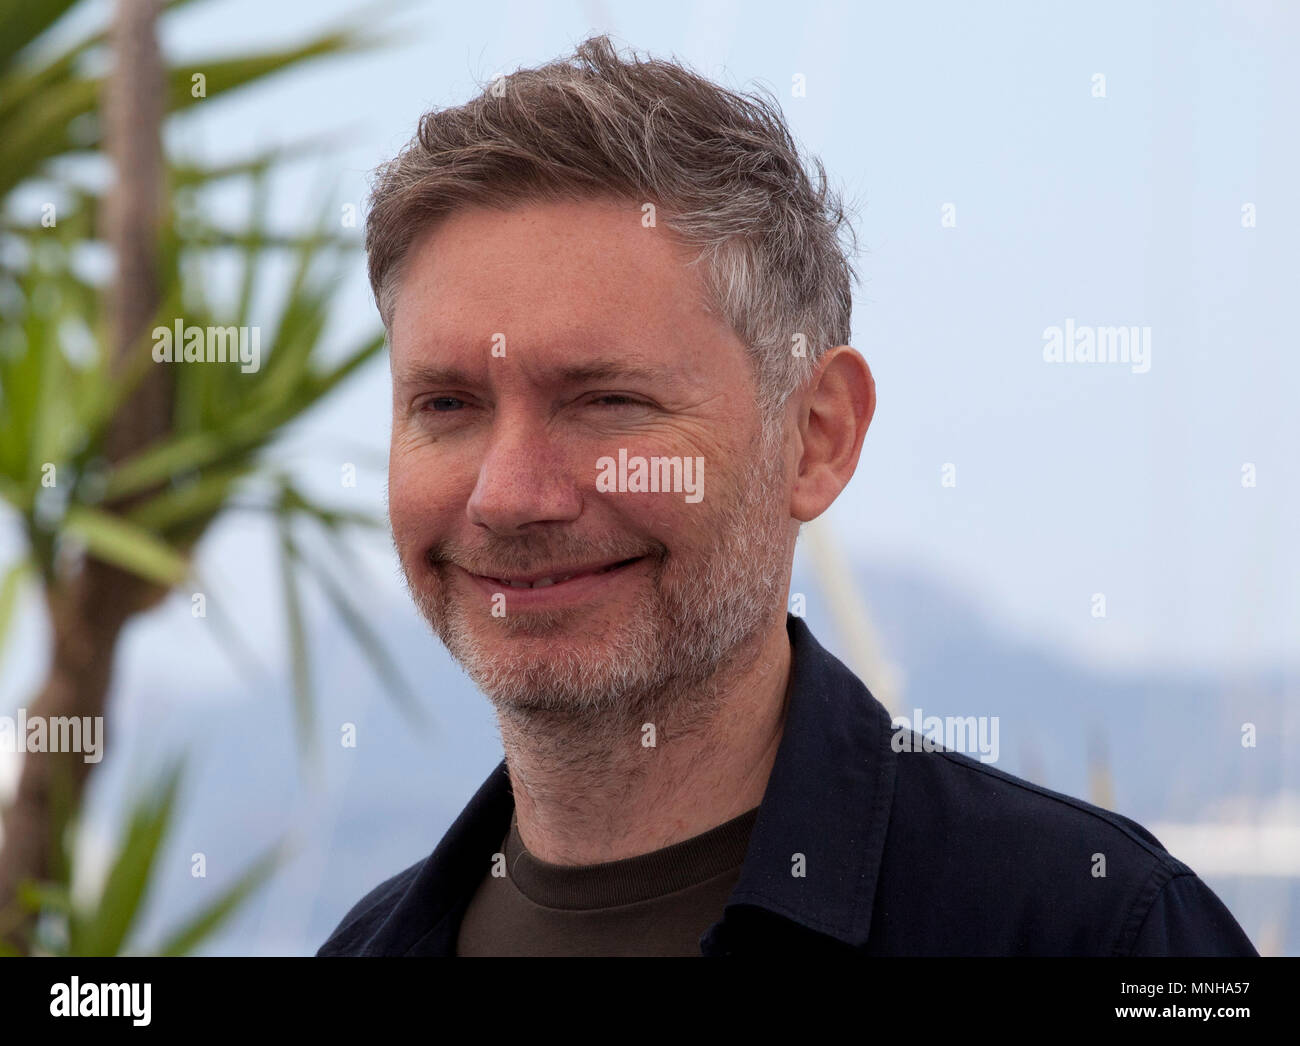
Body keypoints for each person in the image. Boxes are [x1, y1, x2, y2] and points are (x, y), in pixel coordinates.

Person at [318, 35, 1256, 957]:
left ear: (817, 436)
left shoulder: (1096, 933)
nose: (510, 495)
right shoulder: (367, 946)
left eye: (606, 401)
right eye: (447, 404)